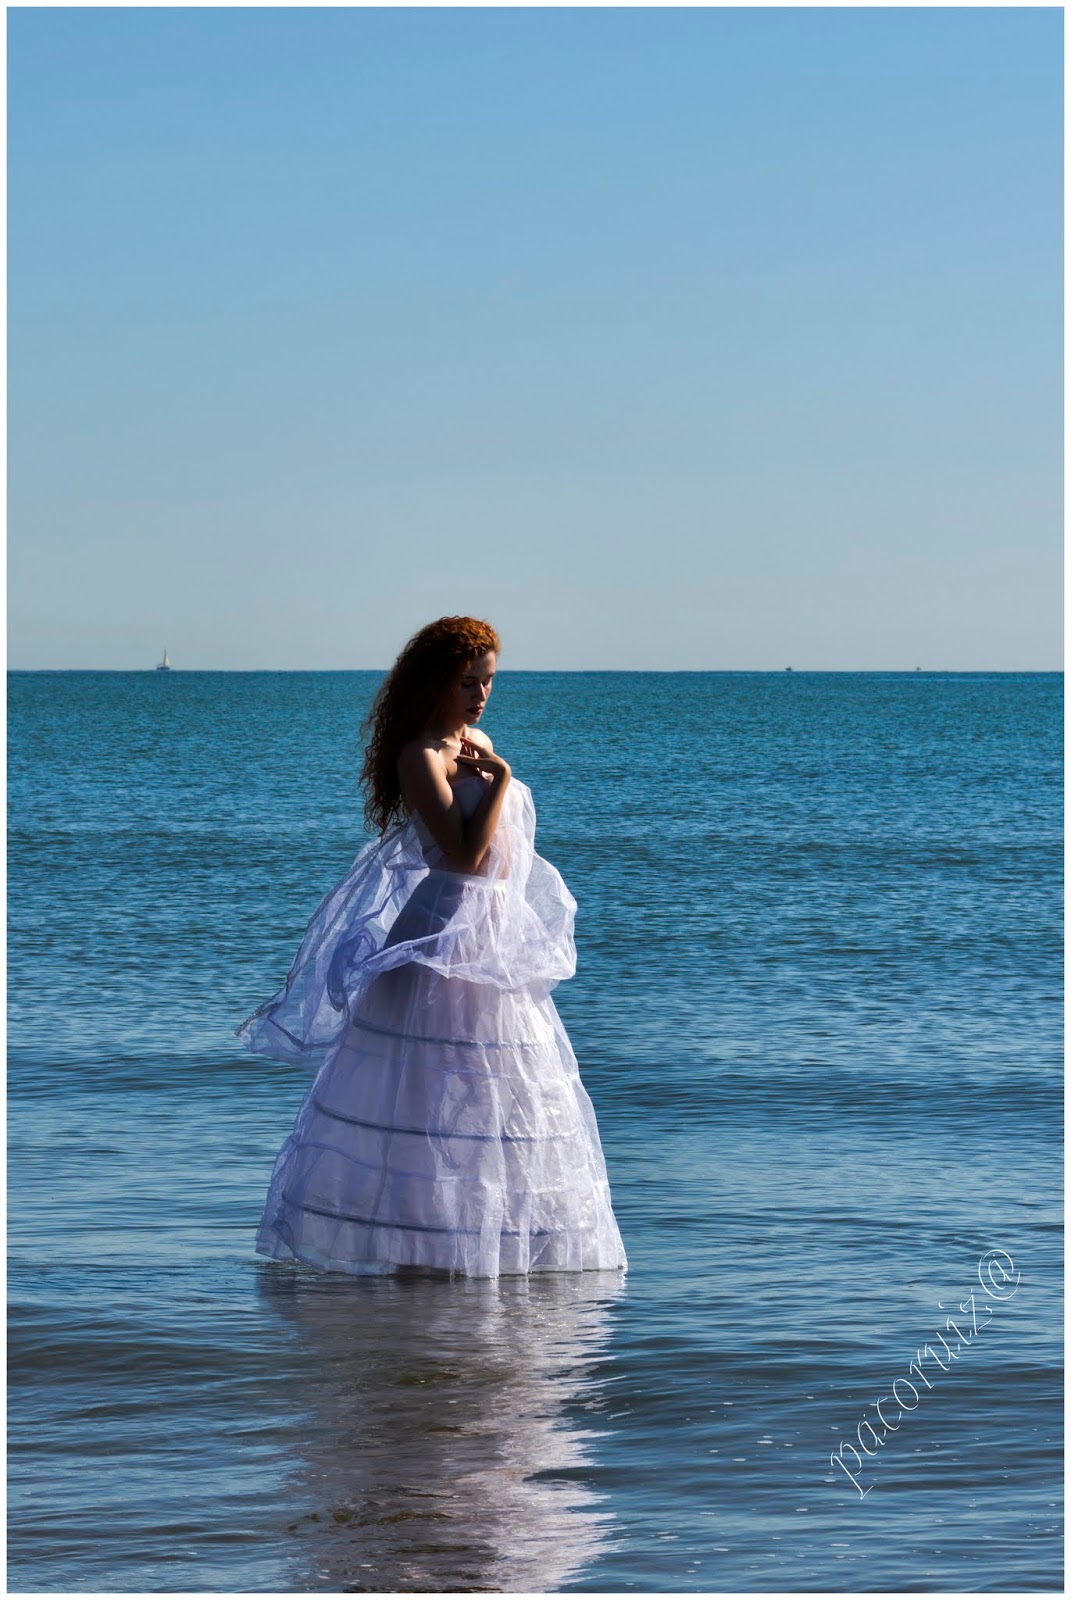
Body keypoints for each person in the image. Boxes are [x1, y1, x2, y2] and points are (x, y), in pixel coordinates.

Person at [237, 616, 628, 1279]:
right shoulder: (420, 755)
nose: (479, 695)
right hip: (439, 934)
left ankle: (463, 1258)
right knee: (419, 1096)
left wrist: (493, 765)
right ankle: (417, 1255)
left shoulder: (475, 740)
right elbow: (464, 854)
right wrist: (500, 779)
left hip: (492, 940)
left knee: (496, 1095)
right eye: (467, 682)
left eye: (488, 681)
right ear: (436, 684)